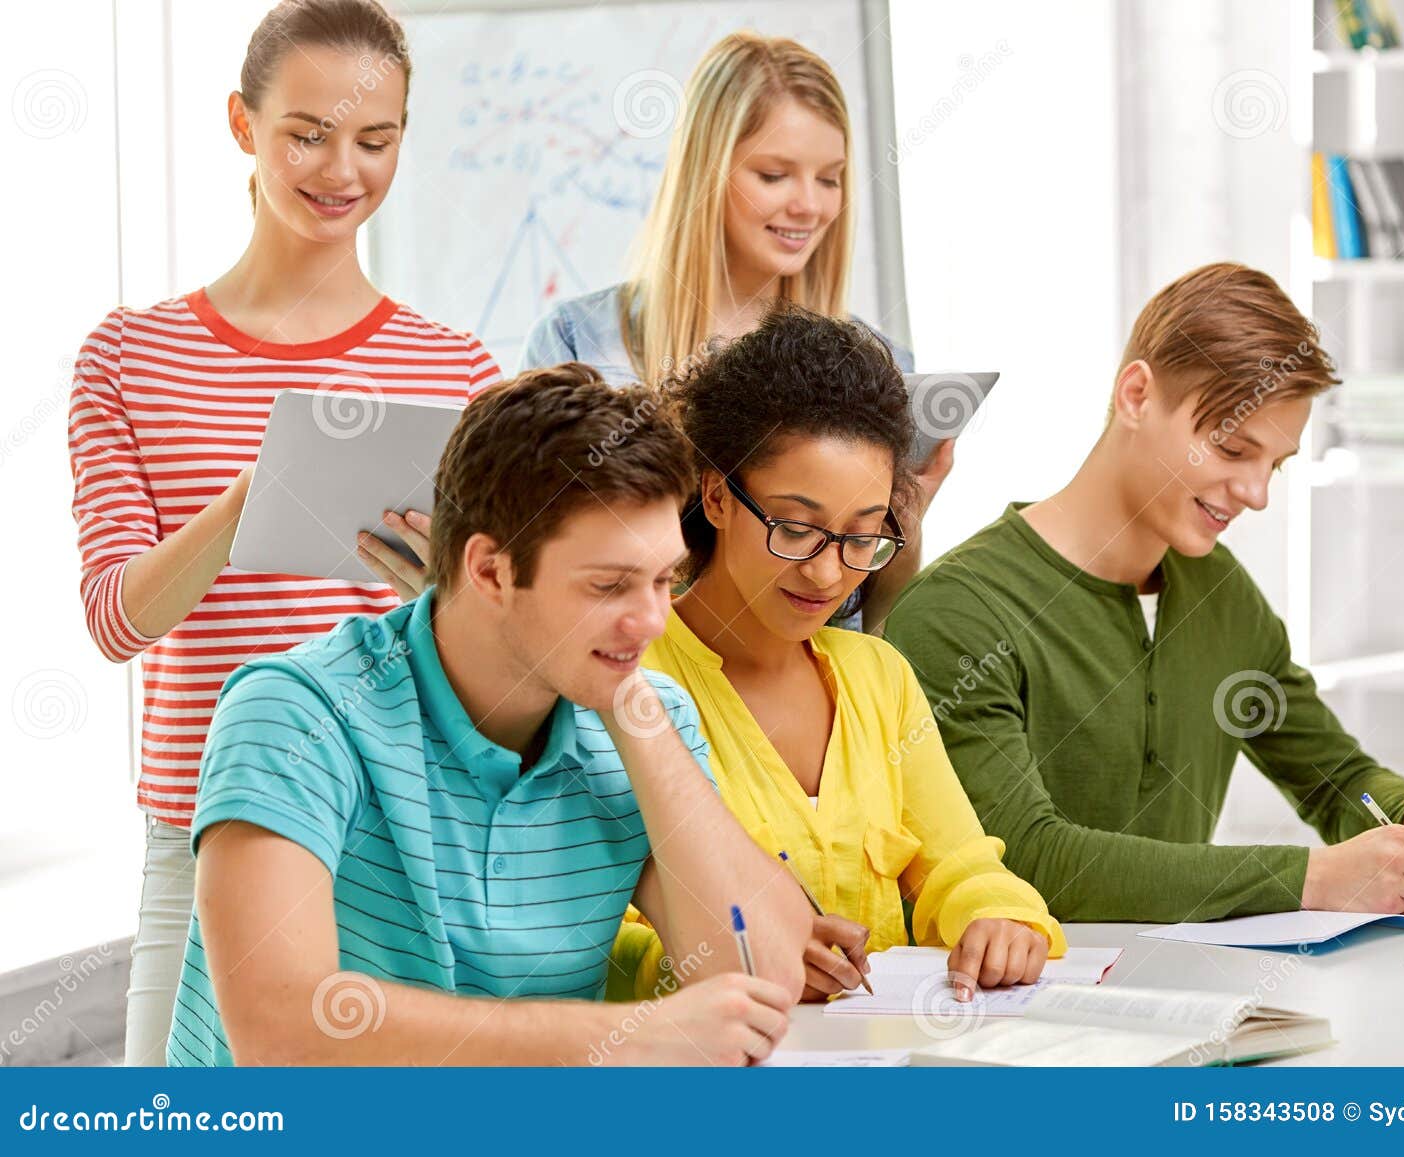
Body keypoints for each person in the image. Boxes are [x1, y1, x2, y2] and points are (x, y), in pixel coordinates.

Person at [66, 0, 500, 1066]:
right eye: (306, 131)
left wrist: (440, 594)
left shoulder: (458, 372)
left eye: (375, 139)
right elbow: (118, 619)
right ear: (240, 124)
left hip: (401, 835)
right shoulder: (129, 356)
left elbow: (509, 643)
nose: (340, 169)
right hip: (208, 836)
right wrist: (257, 493)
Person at [167, 367, 812, 1067]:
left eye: (664, 579)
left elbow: (766, 976)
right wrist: (625, 1040)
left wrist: (632, 707)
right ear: (490, 571)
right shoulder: (295, 712)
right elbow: (280, 1030)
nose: (654, 620)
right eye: (610, 585)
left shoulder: (644, 721)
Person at [884, 262, 1404, 923]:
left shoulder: (1221, 595)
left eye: (1274, 465)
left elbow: (1334, 776)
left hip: (1184, 1005)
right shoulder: (955, 613)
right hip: (1000, 1016)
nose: (1256, 493)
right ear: (1137, 394)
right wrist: (1312, 877)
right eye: (1231, 449)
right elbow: (1025, 860)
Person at [622, 305, 1063, 1005]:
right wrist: (737, 949)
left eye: (864, 535)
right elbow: (593, 933)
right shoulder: (625, 681)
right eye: (796, 529)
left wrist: (997, 915)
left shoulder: (877, 677)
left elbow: (962, 862)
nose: (829, 574)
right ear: (716, 496)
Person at [505, 32, 950, 630]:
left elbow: (875, 623)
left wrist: (903, 522)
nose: (810, 207)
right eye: (774, 175)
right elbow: (550, 563)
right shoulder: (578, 342)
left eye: (830, 178)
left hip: (808, 697)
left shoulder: (878, 363)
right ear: (705, 174)